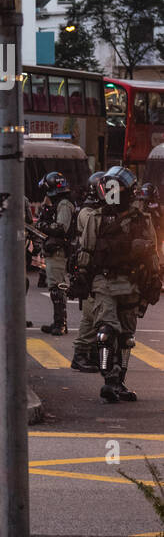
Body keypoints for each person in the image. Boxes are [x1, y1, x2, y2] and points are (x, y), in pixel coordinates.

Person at [76, 166, 161, 402]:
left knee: (127, 337)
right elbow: (86, 252)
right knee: (106, 330)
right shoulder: (97, 217)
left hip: (132, 282)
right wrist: (82, 278)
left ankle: (119, 382)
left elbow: (152, 252)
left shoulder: (142, 220)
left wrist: (154, 279)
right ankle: (110, 380)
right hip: (105, 280)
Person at [70, 171, 107, 371]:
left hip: (97, 268)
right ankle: (81, 354)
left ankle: (92, 353)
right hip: (88, 269)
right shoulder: (88, 213)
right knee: (90, 315)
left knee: (99, 314)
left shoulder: (101, 210)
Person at [37, 172, 78, 336]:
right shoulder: (57, 203)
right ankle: (58, 321)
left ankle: (61, 323)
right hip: (53, 249)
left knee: (57, 287)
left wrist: (42, 225)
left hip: (59, 251)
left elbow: (62, 228)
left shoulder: (64, 204)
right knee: (54, 284)